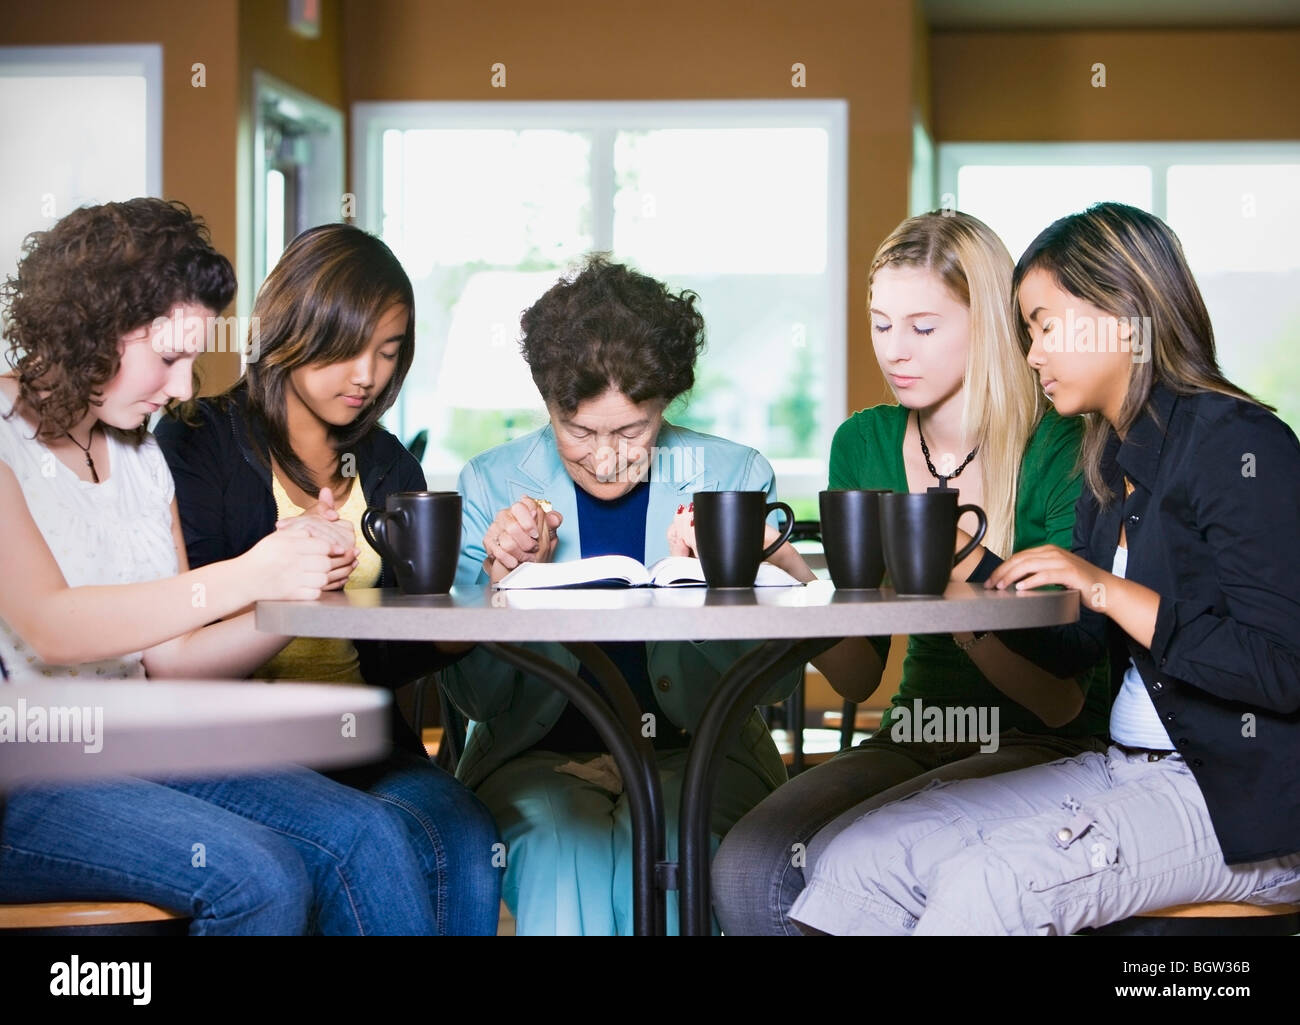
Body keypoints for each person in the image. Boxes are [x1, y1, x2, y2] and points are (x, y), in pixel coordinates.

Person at [790, 202, 1300, 935]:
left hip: (1235, 794)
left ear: (1121, 317)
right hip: (1128, 769)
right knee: (859, 860)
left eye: (1044, 326)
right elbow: (1074, 653)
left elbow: (1283, 668)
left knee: (991, 885)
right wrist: (979, 567)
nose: (1029, 353)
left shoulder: (1240, 443)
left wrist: (1107, 588)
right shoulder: (1107, 458)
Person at [0, 198, 442, 934]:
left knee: (373, 834)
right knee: (258, 876)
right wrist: (252, 573)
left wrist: (293, 583)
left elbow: (172, 662)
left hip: (142, 746)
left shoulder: (139, 452)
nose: (181, 387)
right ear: (92, 326)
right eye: (169, 358)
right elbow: (49, 625)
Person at [711, 211, 1111, 935]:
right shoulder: (862, 441)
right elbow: (859, 674)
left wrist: (956, 579)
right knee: (749, 864)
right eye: (881, 323)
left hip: (1046, 740)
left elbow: (1060, 700)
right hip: (918, 729)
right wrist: (779, 563)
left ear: (989, 324)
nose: (896, 350)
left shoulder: (1061, 441)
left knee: (848, 862)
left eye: (923, 328)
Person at [155, 222, 502, 935]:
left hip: (359, 744)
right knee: (368, 840)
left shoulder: (387, 465)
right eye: (347, 348)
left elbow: (400, 643)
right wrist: (279, 574)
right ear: (291, 330)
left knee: (465, 835)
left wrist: (483, 590)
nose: (367, 375)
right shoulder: (198, 441)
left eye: (389, 351)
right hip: (234, 748)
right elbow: (172, 630)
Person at [440, 255, 802, 935]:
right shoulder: (489, 483)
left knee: (663, 840)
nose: (606, 457)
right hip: (533, 758)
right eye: (579, 430)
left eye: (632, 431)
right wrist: (502, 583)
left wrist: (713, 585)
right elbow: (480, 700)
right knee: (559, 846)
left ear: (665, 403)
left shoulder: (732, 475)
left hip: (701, 758)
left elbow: (772, 682)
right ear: (547, 403)